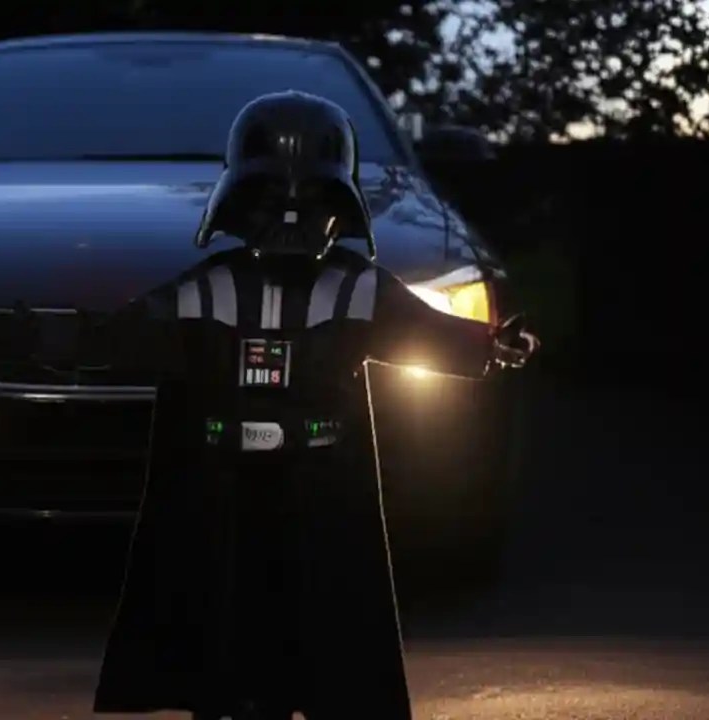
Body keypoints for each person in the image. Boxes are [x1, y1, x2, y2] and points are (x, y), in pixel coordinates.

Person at [91, 90, 537, 720]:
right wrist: (30, 338)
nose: (291, 220)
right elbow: (120, 336)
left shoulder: (358, 290)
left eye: (311, 203)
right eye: (272, 201)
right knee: (224, 617)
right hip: (227, 489)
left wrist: (490, 344)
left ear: (340, 209)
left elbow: (425, 330)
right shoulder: (210, 290)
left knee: (330, 616)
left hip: (322, 487)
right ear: (241, 204)